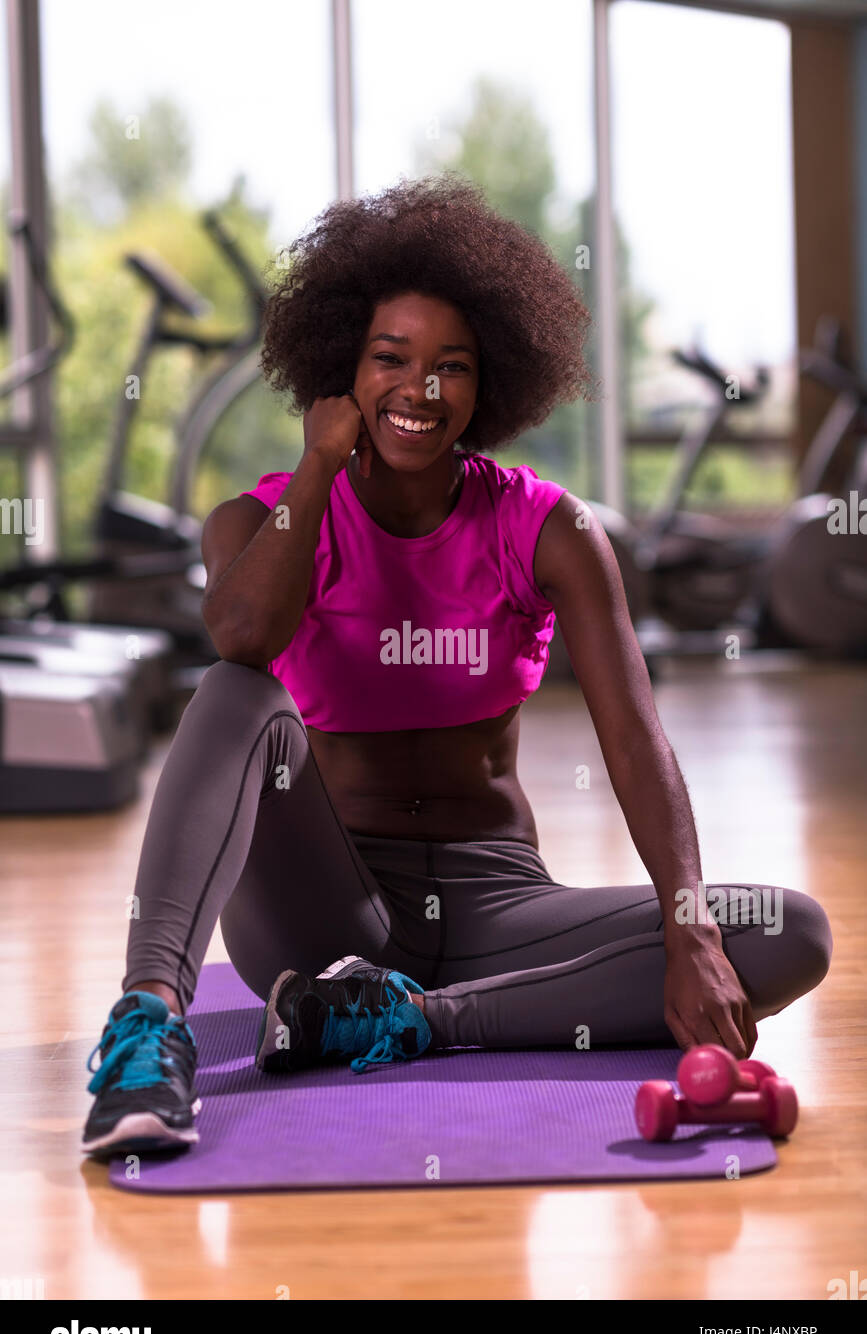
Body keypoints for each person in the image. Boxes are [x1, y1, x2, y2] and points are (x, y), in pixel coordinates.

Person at [82, 174, 831, 1156]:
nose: (420, 390)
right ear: (341, 369)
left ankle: (408, 1020)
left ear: (490, 385)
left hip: (500, 908)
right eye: (390, 359)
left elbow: (637, 737)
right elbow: (243, 640)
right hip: (327, 913)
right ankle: (147, 1025)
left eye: (453, 366)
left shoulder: (548, 526)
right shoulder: (255, 519)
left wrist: (688, 930)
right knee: (235, 692)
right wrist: (317, 466)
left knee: (788, 930)